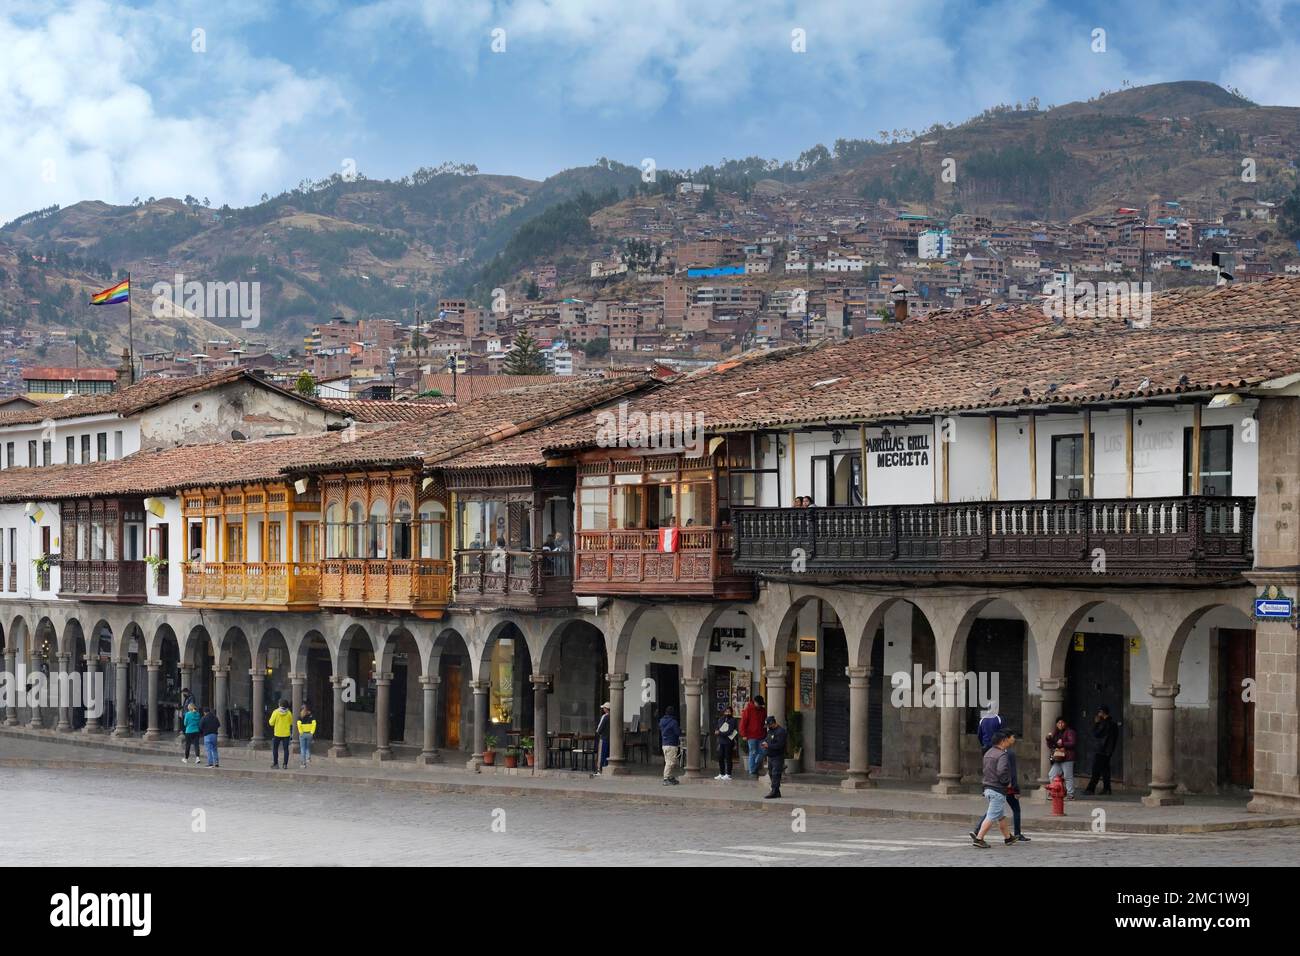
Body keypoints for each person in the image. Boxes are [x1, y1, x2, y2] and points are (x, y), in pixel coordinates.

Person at [971, 730, 1016, 847]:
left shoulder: (988, 752)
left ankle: (1008, 837)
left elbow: (985, 770)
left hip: (988, 787)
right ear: (1002, 741)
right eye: (1006, 740)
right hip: (997, 788)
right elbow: (1001, 771)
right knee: (991, 816)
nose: (1008, 742)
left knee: (1000, 816)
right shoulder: (1002, 754)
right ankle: (979, 838)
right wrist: (1007, 782)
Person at [1004, 730, 1030, 842]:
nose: (1014, 739)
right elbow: (1012, 772)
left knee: (991, 812)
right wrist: (1016, 789)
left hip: (998, 786)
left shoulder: (996, 751)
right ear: (1007, 738)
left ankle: (977, 830)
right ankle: (1018, 833)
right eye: (1013, 737)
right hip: (1008, 787)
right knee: (1016, 810)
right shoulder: (1010, 753)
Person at [1085, 706, 1118, 795]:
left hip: (1101, 750)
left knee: (1096, 770)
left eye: (1099, 713)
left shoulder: (1103, 724)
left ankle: (1090, 789)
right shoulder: (1113, 724)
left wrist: (1096, 723)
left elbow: (1096, 734)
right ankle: (1107, 789)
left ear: (1102, 713)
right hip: (1108, 751)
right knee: (1105, 770)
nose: (1098, 715)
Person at [1046, 716, 1078, 799]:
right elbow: (1051, 745)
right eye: (1058, 723)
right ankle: (1054, 792)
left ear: (1065, 723)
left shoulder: (1070, 732)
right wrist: (1049, 739)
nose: (1060, 724)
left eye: (1062, 722)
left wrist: (1063, 743)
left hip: (1068, 757)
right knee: (1052, 774)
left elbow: (1073, 743)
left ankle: (1070, 795)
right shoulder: (1055, 733)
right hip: (1058, 758)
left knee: (1068, 776)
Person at [740, 694, 767, 777]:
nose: (760, 706)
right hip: (751, 736)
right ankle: (752, 771)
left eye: (761, 704)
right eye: (759, 704)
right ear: (755, 702)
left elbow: (765, 721)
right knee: (753, 752)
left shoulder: (763, 710)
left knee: (763, 752)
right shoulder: (748, 710)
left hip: (761, 735)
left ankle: (754, 768)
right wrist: (743, 734)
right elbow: (743, 723)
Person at [761, 715, 787, 798]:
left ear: (772, 723)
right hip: (770, 756)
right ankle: (776, 791)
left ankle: (774, 791)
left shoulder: (781, 731)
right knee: (771, 773)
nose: (767, 727)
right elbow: (767, 739)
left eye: (768, 725)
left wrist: (768, 746)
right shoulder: (770, 731)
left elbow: (780, 745)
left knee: (776, 774)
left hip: (777, 756)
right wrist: (764, 743)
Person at [659, 705, 682, 786]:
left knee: (668, 761)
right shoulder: (673, 722)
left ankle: (670, 777)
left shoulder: (661, 721)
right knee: (670, 762)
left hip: (664, 743)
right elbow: (677, 732)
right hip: (672, 743)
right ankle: (666, 778)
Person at [713, 705, 738, 780]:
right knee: (720, 757)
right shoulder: (721, 719)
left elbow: (730, 731)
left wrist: (719, 733)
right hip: (721, 741)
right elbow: (717, 728)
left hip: (728, 742)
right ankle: (721, 773)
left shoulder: (733, 720)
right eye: (726, 711)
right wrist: (717, 731)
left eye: (729, 712)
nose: (727, 713)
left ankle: (728, 774)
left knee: (728, 758)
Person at [268, 699, 294, 769]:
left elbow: (271, 723)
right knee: (286, 749)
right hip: (286, 734)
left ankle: (276, 764)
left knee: (275, 749)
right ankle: (285, 764)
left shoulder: (275, 712)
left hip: (277, 733)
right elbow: (291, 722)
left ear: (280, 704)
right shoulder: (289, 713)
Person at [594, 701, 611, 775]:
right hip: (610, 738)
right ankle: (606, 768)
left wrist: (598, 732)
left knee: (602, 754)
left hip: (604, 737)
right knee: (607, 754)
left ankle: (600, 769)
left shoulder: (605, 716)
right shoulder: (612, 717)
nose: (603, 709)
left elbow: (600, 728)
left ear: (606, 709)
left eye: (604, 708)